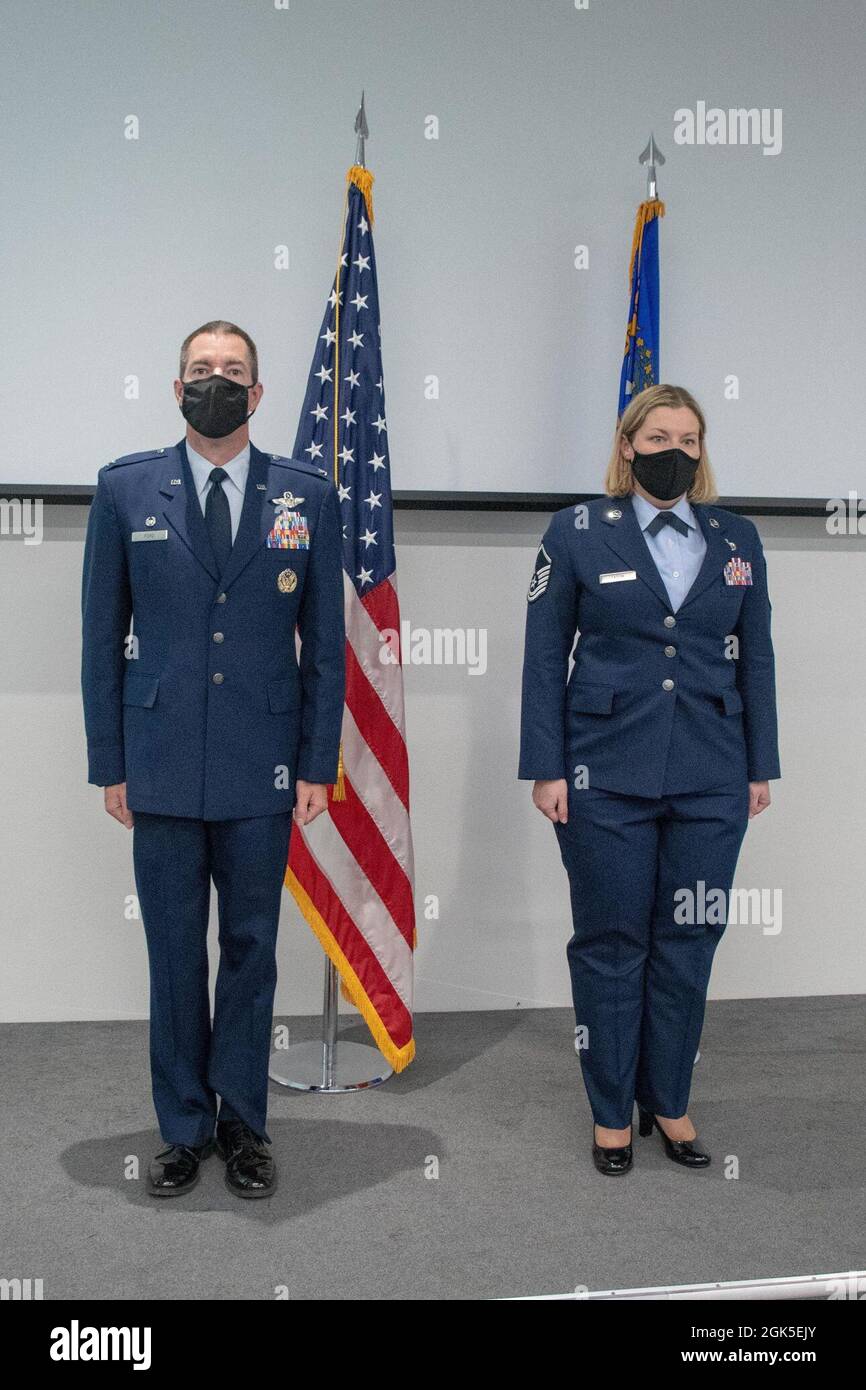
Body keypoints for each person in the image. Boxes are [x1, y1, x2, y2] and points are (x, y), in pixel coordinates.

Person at [81, 320, 346, 1198]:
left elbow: (328, 647)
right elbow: (99, 640)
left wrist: (317, 764)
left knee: (250, 948)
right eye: (202, 370)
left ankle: (243, 1124)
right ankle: (184, 1127)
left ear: (259, 394)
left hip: (263, 768)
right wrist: (107, 763)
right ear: (176, 386)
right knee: (172, 954)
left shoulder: (305, 494)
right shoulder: (125, 491)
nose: (216, 383)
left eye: (234, 372)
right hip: (157, 763)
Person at [518, 383, 780, 1175]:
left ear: (702, 452)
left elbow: (757, 655)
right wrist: (546, 768)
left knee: (689, 939)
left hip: (711, 773)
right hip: (604, 774)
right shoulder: (576, 532)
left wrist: (759, 765)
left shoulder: (736, 537)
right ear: (628, 444)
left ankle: (667, 1098)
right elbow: (543, 655)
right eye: (659, 436)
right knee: (610, 943)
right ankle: (609, 1109)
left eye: (690, 440)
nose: (675, 451)